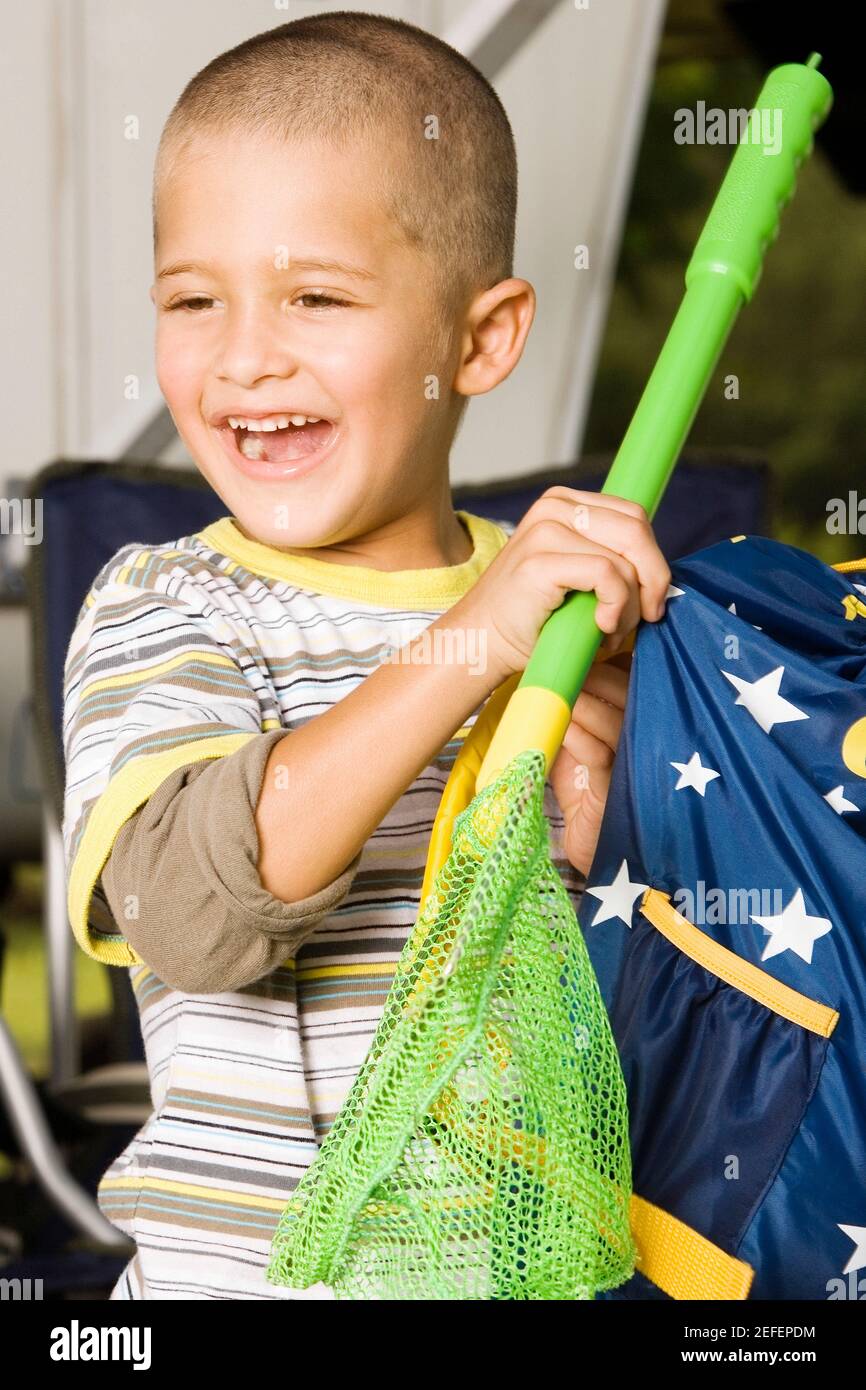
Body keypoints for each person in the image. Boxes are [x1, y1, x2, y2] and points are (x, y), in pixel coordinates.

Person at [62, 10, 670, 1300]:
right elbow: (188, 916)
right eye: (193, 299)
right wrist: (475, 640)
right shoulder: (161, 605)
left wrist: (617, 816)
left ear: (479, 340)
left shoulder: (578, 619)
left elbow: (669, 995)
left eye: (317, 298)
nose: (244, 356)